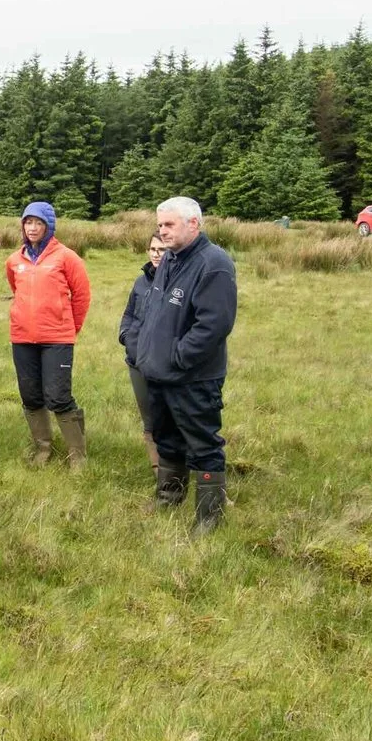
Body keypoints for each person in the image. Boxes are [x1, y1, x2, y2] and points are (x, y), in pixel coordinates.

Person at [133, 196, 238, 531]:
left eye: (169, 225)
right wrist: (146, 352)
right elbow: (153, 311)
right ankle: (169, 497)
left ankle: (209, 517)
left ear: (194, 223)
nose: (162, 232)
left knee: (203, 443)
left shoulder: (214, 264)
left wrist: (178, 358)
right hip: (158, 373)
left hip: (193, 378)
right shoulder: (169, 260)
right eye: (160, 225)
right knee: (166, 438)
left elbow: (213, 325)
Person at [5, 200, 90, 469]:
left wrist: (68, 327)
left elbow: (82, 295)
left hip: (57, 338)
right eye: (28, 222)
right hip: (22, 338)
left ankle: (77, 455)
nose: (32, 228)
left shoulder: (66, 257)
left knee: (58, 396)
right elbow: (15, 288)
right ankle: (43, 449)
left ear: (49, 226)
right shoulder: (14, 260)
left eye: (38, 222)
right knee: (30, 395)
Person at [114, 235, 166, 465]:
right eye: (152, 249)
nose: (155, 254)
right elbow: (129, 314)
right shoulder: (140, 282)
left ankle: (179, 470)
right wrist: (126, 336)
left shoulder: (177, 282)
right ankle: (160, 473)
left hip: (164, 363)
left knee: (172, 420)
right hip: (136, 361)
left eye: (162, 249)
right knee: (149, 421)